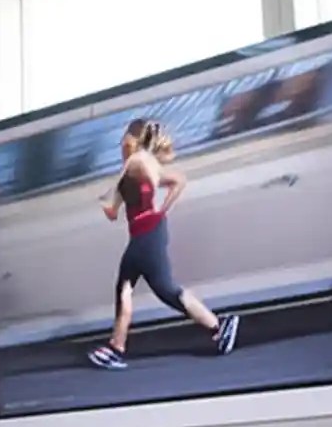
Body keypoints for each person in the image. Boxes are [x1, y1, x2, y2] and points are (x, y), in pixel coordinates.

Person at [88, 119, 238, 370]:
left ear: (133, 139)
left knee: (163, 290)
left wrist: (157, 210)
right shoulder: (140, 165)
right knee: (126, 288)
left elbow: (114, 206)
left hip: (147, 234)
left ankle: (219, 326)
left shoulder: (137, 162)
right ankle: (116, 347)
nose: (121, 144)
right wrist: (152, 210)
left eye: (124, 138)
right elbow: (118, 207)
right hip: (144, 233)